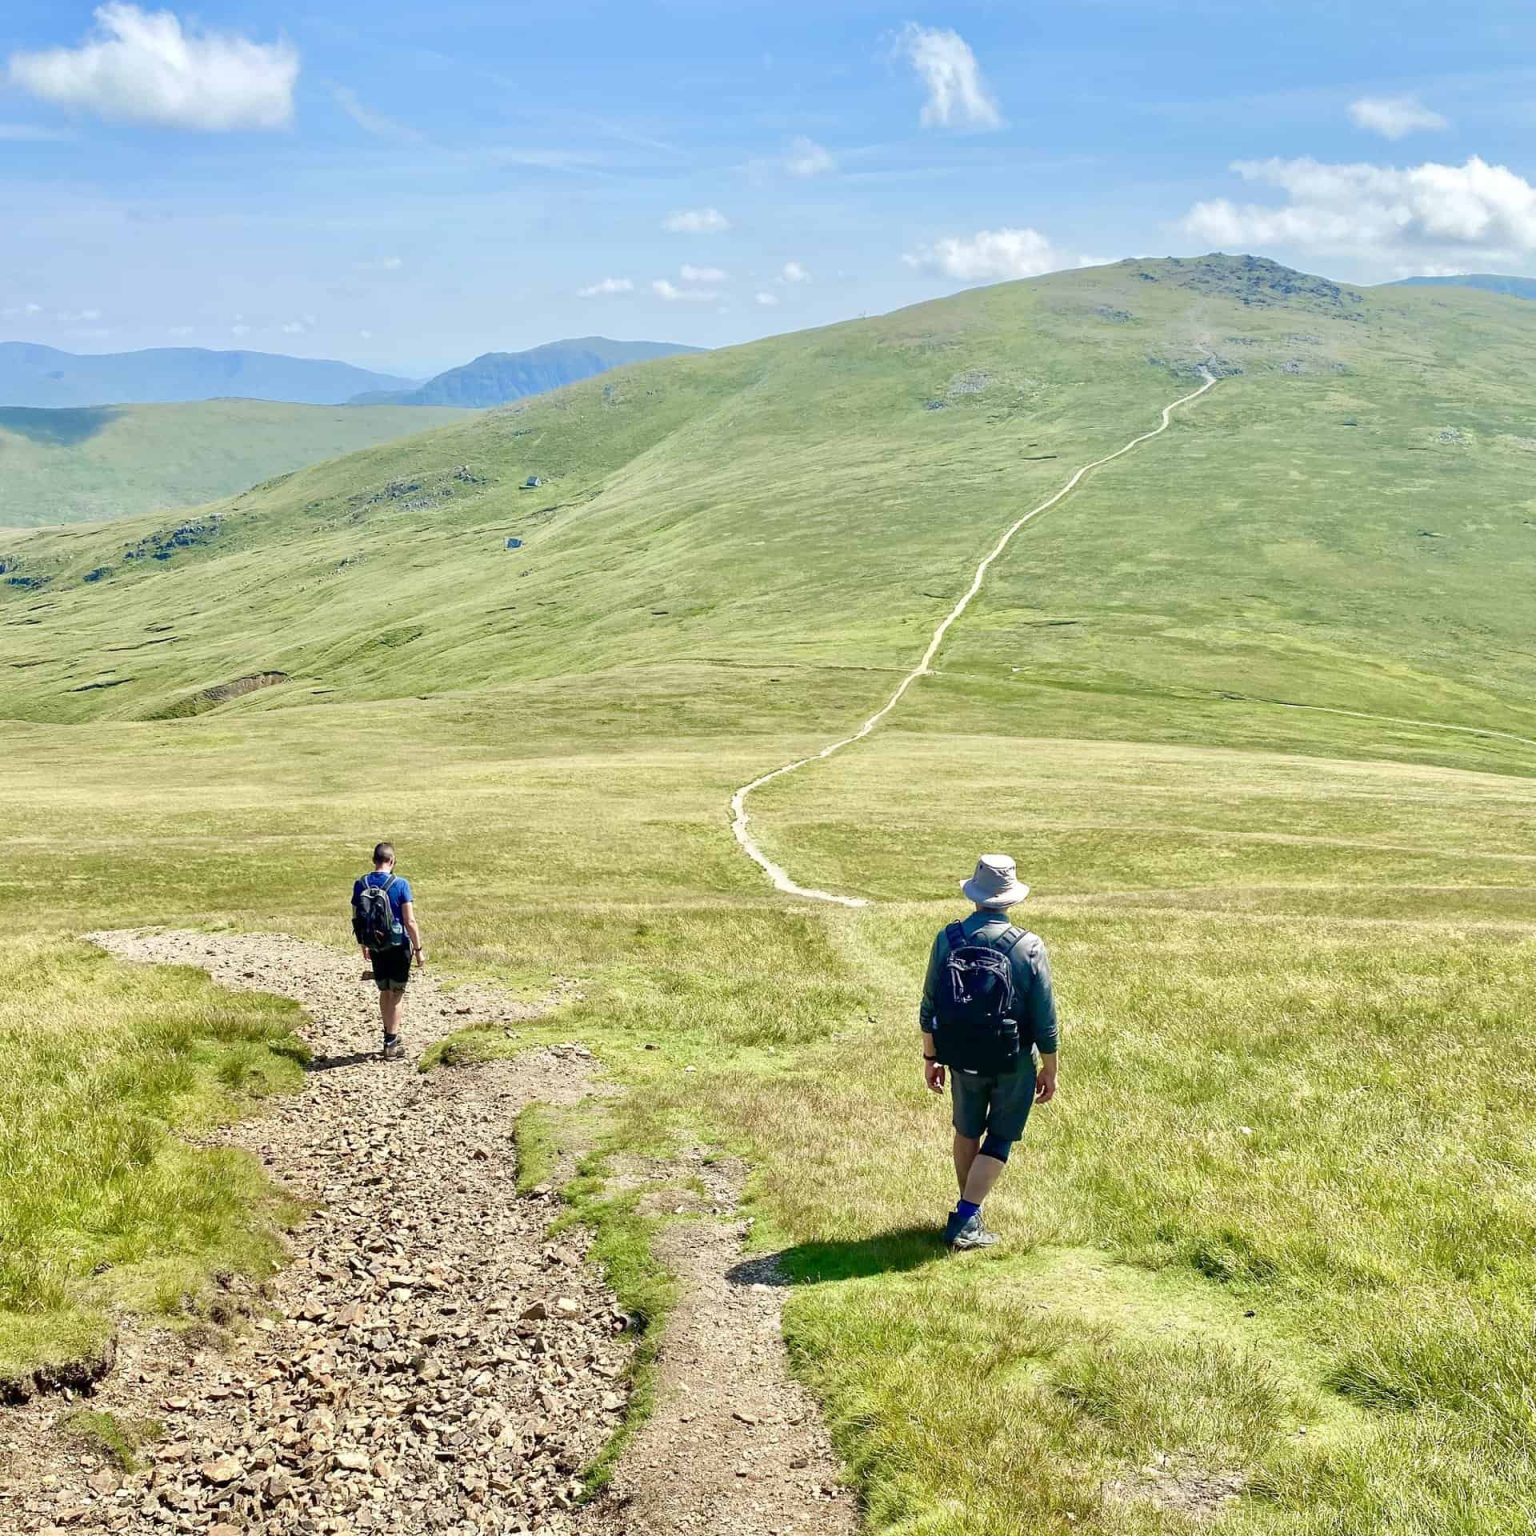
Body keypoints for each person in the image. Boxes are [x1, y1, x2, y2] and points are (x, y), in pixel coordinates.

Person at [920, 853, 1058, 1251]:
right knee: (998, 1137)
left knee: (966, 1131)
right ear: (1011, 899)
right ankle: (964, 1219)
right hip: (1012, 1061)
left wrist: (931, 1058)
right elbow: (1045, 1018)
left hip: (960, 1056)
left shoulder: (947, 938)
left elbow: (928, 1006)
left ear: (975, 895)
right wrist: (1049, 1068)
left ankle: (971, 1214)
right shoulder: (1029, 946)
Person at [351, 842, 424, 1061]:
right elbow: (409, 920)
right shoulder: (401, 884)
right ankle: (391, 1043)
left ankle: (388, 1034)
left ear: (374, 859)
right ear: (392, 861)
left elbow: (357, 917)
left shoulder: (360, 883)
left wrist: (364, 944)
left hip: (375, 945)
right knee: (397, 992)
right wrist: (419, 949)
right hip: (398, 944)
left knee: (384, 990)